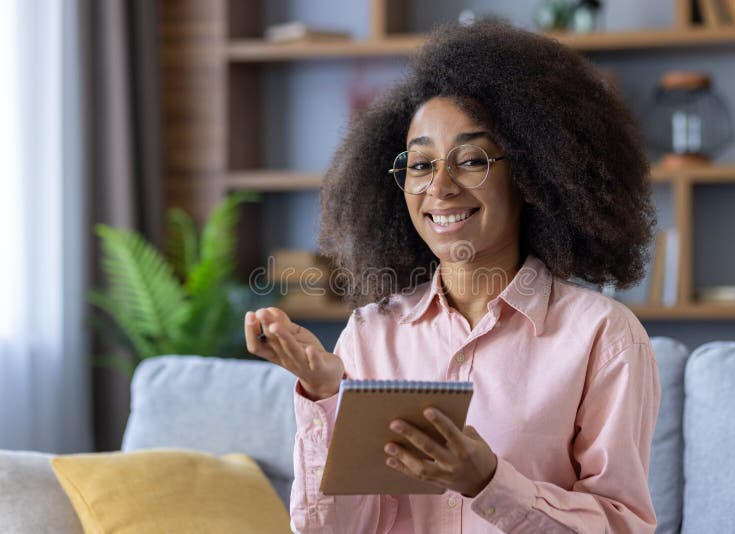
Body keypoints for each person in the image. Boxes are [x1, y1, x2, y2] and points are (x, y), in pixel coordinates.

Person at [244, 20, 660, 533]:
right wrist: (328, 394)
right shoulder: (373, 335)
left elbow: (623, 525)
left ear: (532, 175)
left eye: (470, 159)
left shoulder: (603, 337)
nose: (439, 187)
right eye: (420, 165)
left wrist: (489, 482)